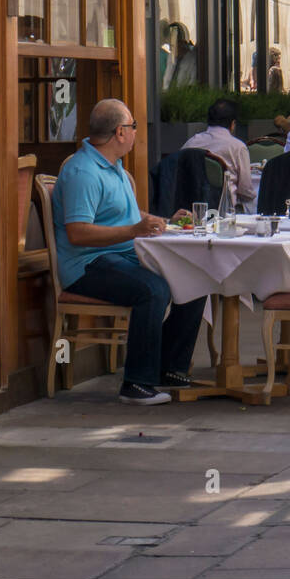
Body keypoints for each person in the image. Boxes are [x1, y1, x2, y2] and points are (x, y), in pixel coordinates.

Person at [53, 99, 206, 404]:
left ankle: (169, 368)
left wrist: (163, 221)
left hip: (120, 255)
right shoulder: (83, 172)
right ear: (120, 132)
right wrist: (134, 231)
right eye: (134, 126)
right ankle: (136, 382)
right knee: (152, 290)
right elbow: (78, 233)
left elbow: (127, 217)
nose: (137, 132)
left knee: (195, 278)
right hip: (87, 264)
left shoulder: (114, 167)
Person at [182, 97, 256, 207]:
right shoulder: (237, 147)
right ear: (233, 124)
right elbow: (246, 191)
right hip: (225, 208)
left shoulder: (191, 143)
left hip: (192, 206)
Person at [162, 22, 198, 89]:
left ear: (182, 42)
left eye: (173, 44)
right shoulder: (171, 57)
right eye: (170, 44)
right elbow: (166, 82)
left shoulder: (193, 60)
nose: (170, 48)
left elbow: (192, 85)